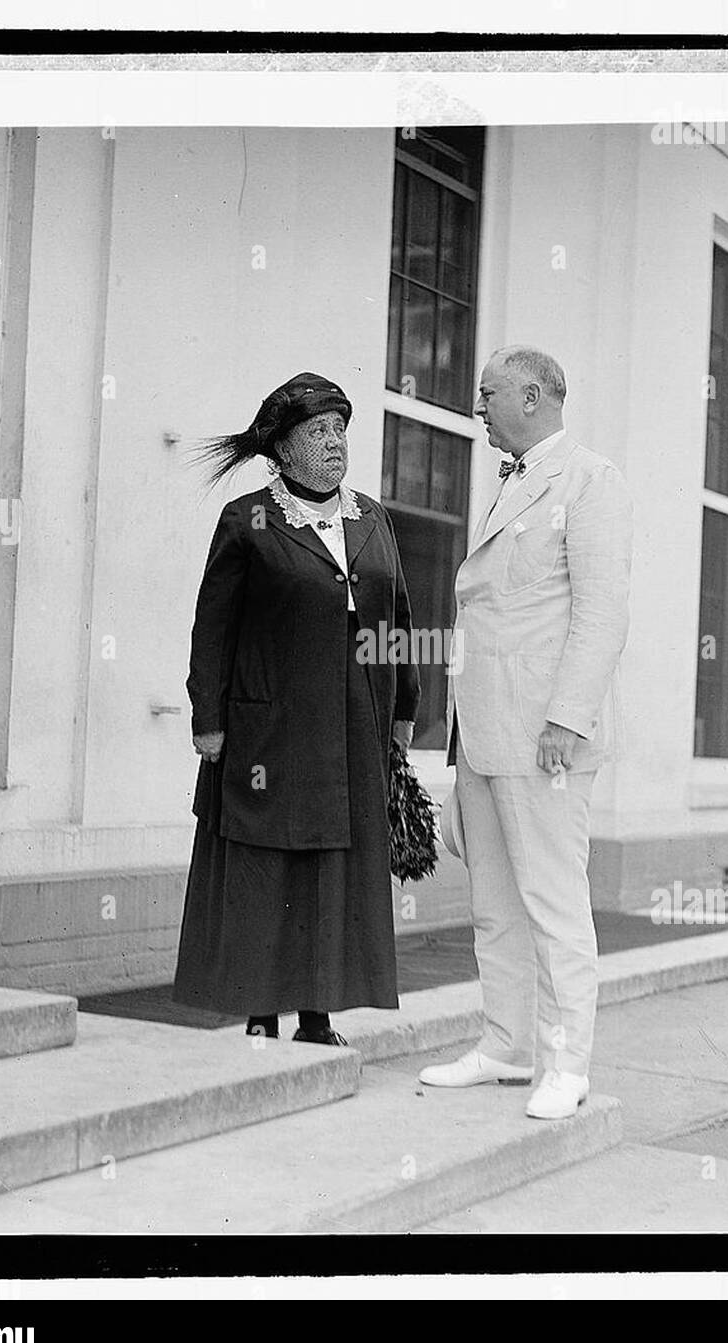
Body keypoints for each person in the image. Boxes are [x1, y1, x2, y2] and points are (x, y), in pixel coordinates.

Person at [172, 372, 420, 1044]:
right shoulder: (249, 518)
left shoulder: (371, 517)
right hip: (273, 725)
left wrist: (403, 708)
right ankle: (261, 1013)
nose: (335, 442)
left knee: (330, 873)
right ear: (282, 448)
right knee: (267, 866)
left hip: (353, 723)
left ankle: (317, 1016)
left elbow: (397, 618)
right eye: (318, 431)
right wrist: (207, 718)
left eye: (341, 429)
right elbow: (213, 625)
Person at [419, 346, 632, 1117]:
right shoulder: (510, 483)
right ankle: (505, 1048)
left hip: (545, 739)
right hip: (484, 736)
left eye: (488, 393)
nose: (477, 408)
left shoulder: (590, 481)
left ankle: (567, 1065)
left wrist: (566, 721)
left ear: (534, 396)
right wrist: (457, 739)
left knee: (553, 905)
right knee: (495, 906)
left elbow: (601, 614)